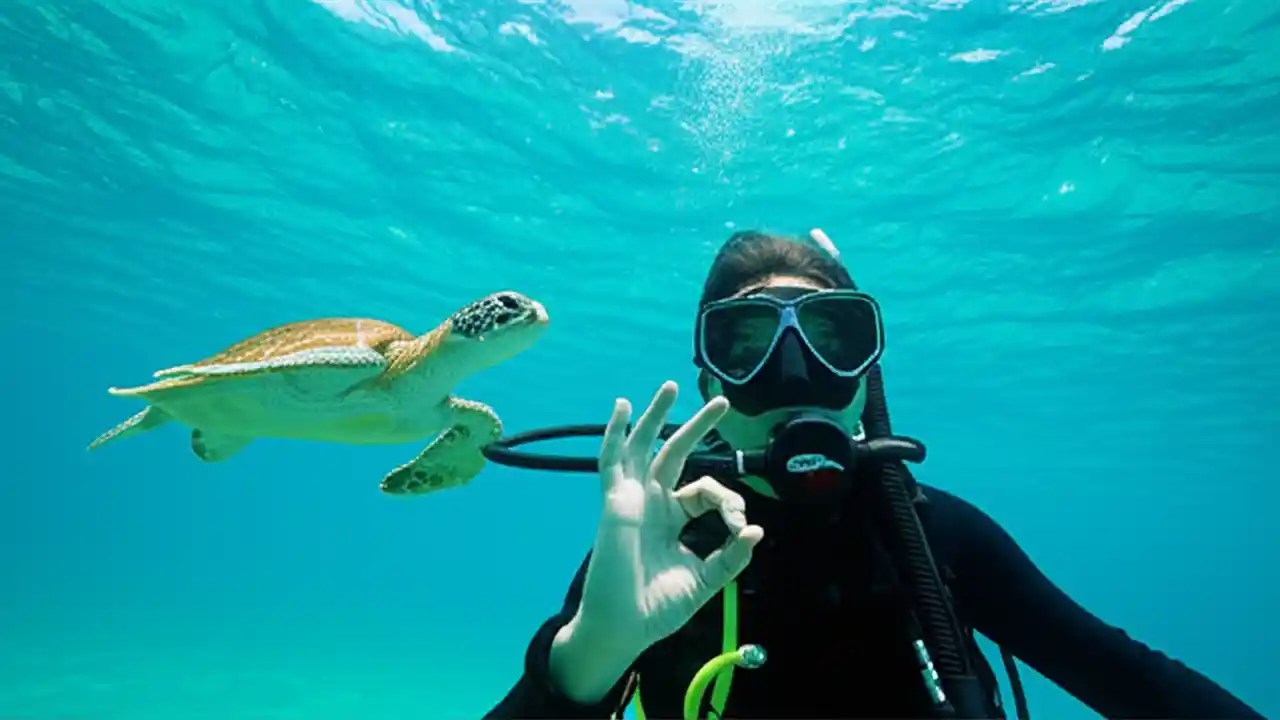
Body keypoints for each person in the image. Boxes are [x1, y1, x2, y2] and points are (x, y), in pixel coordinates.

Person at [483, 230, 1263, 719]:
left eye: (833, 338)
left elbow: (1128, 679)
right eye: (747, 344)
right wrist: (586, 657)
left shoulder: (930, 533)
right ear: (709, 385)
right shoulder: (657, 550)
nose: (794, 374)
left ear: (866, 381)